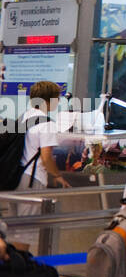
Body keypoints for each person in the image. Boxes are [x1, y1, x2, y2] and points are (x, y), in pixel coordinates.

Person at [9, 82, 71, 246]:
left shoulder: (23, 117)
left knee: (15, 228)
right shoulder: (47, 123)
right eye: (57, 98)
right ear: (48, 101)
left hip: (14, 177)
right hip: (32, 179)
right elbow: (46, 157)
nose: (58, 102)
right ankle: (20, 268)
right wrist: (57, 176)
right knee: (25, 231)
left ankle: (11, 267)